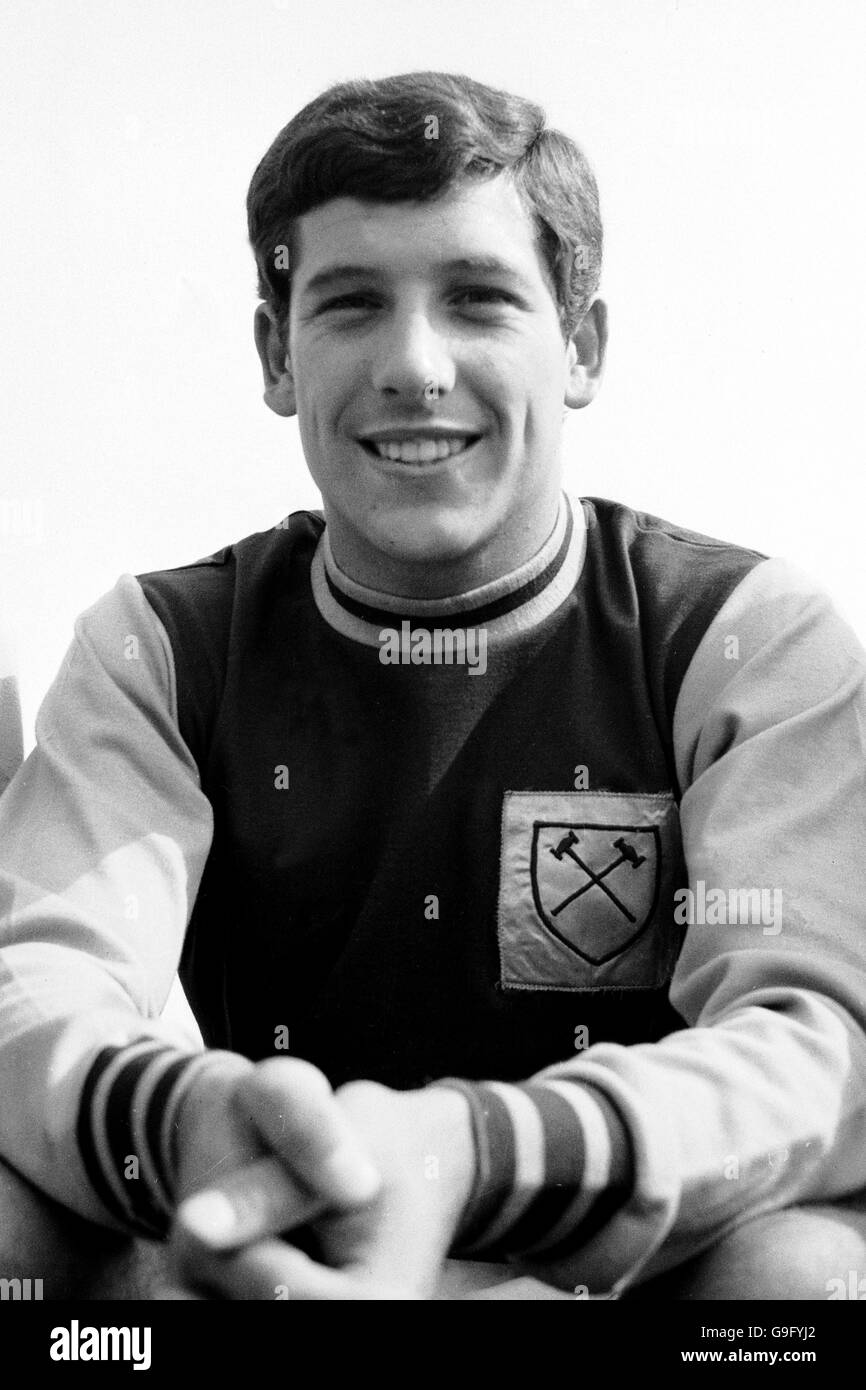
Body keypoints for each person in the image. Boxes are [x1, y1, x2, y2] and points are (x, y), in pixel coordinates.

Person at [1, 70, 865, 1302]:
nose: (414, 364)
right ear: (274, 353)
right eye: (350, 305)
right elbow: (39, 981)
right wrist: (199, 1124)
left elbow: (816, 1044)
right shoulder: (159, 646)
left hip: (614, 1282)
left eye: (476, 299)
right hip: (278, 1252)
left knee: (804, 1278)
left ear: (580, 346)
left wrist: (463, 1158)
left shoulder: (742, 636)